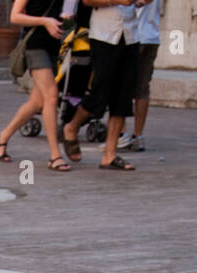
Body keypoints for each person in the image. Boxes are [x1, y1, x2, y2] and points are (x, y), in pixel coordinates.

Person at [62, 0, 144, 171]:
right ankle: (72, 127)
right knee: (101, 89)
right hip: (104, 34)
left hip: (130, 34)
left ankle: (110, 154)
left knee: (124, 94)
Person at [0, 0, 72, 171]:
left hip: (54, 46)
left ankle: (2, 137)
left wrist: (66, 17)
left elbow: (66, 11)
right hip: (35, 45)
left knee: (37, 102)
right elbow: (15, 16)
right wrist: (44, 21)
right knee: (51, 95)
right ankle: (55, 155)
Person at [119, 0, 159, 151]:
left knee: (121, 85)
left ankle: (121, 134)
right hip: (152, 35)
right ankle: (138, 135)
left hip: (132, 35)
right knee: (142, 88)